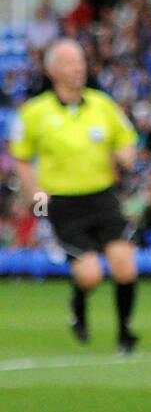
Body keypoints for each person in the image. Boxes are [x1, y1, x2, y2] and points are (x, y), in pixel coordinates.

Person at [8, 38, 141, 353]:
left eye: (80, 61)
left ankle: (125, 335)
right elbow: (21, 157)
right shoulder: (35, 113)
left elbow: (126, 139)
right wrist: (35, 190)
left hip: (103, 195)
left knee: (124, 264)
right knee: (91, 274)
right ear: (52, 70)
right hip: (64, 203)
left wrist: (126, 155)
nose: (78, 67)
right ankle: (78, 302)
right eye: (69, 62)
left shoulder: (102, 105)